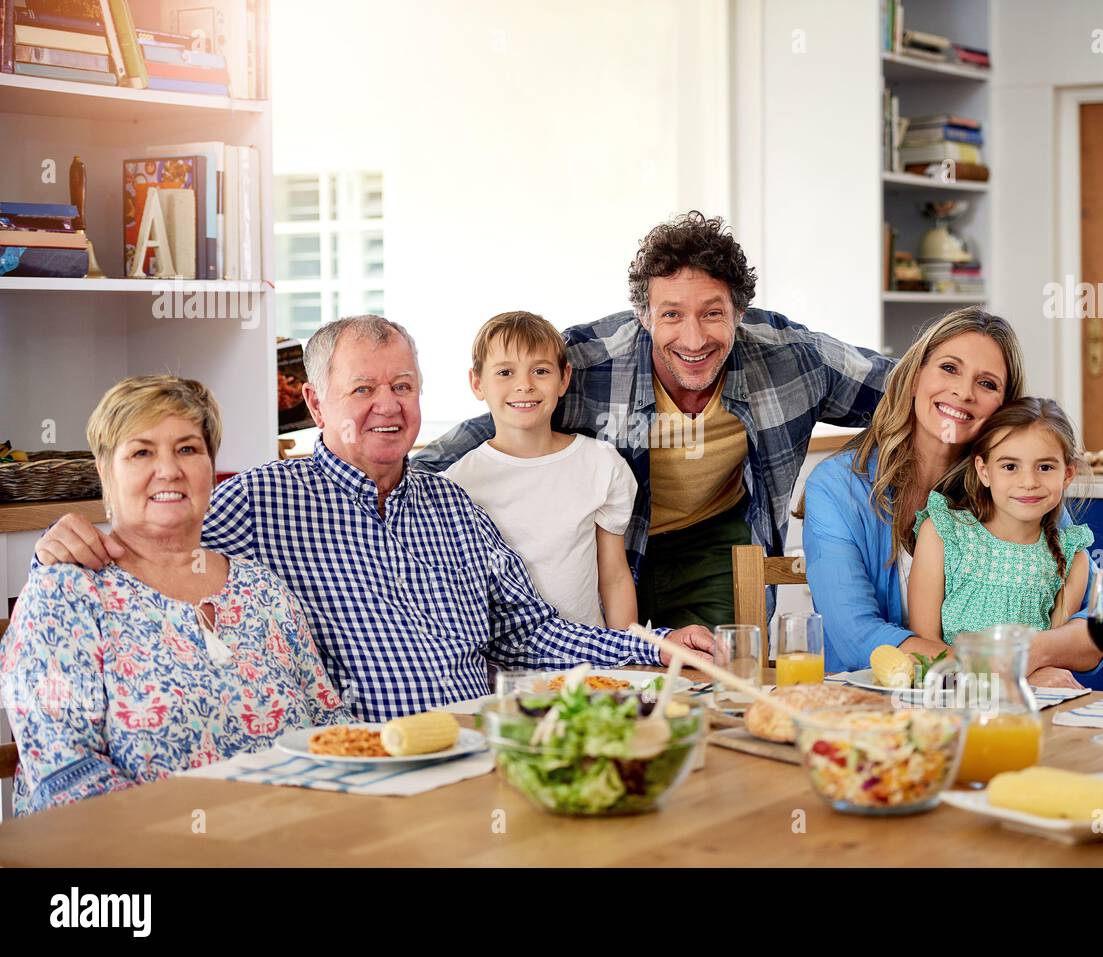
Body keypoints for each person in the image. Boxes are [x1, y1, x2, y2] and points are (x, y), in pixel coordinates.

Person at [31, 317, 713, 721]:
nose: (387, 405)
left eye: (403, 387)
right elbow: (151, 550)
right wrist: (60, 546)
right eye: (363, 389)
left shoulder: (452, 504)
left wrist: (653, 649)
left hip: (476, 754)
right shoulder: (257, 503)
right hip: (356, 770)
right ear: (317, 402)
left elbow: (527, 631)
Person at [415, 212, 895, 628]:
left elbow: (913, 391)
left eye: (712, 314)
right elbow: (473, 441)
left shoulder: (792, 359)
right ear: (643, 316)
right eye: (671, 314)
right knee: (619, 688)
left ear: (740, 313)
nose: (693, 339)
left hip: (713, 539)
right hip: (607, 544)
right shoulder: (586, 364)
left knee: (709, 678)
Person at [1, 376, 348, 816]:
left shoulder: (263, 589)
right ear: (106, 471)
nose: (169, 470)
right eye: (142, 452)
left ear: (211, 467)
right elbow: (64, 774)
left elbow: (330, 726)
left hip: (289, 838)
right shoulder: (64, 594)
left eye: (187, 449)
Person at [802, 308, 1102, 687]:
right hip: (868, 709)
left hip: (999, 714)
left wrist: (1035, 655)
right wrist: (1000, 672)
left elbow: (1096, 629)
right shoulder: (837, 487)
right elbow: (855, 636)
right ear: (914, 378)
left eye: (988, 384)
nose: (964, 392)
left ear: (1004, 409)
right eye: (949, 368)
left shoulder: (1017, 488)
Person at [444, 311, 638, 628]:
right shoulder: (458, 484)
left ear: (564, 379)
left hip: (588, 663)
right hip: (506, 668)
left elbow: (614, 577)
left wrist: (624, 660)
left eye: (540, 371)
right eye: (505, 372)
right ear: (477, 383)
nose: (525, 385)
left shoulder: (601, 464)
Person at [909, 397, 1095, 644]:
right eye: (1010, 467)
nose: (1028, 482)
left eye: (1045, 468)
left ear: (1067, 475)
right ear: (984, 471)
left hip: (1028, 684)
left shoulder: (1072, 558)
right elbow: (925, 644)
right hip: (952, 681)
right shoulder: (943, 534)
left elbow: (1050, 653)